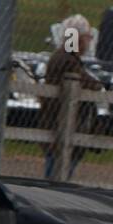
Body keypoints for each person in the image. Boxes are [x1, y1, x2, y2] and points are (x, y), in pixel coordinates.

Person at [40, 15, 103, 180]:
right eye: (87, 38)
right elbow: (85, 81)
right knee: (57, 176)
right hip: (61, 125)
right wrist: (96, 84)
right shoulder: (67, 59)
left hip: (60, 124)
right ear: (78, 38)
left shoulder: (66, 57)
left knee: (57, 171)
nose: (88, 42)